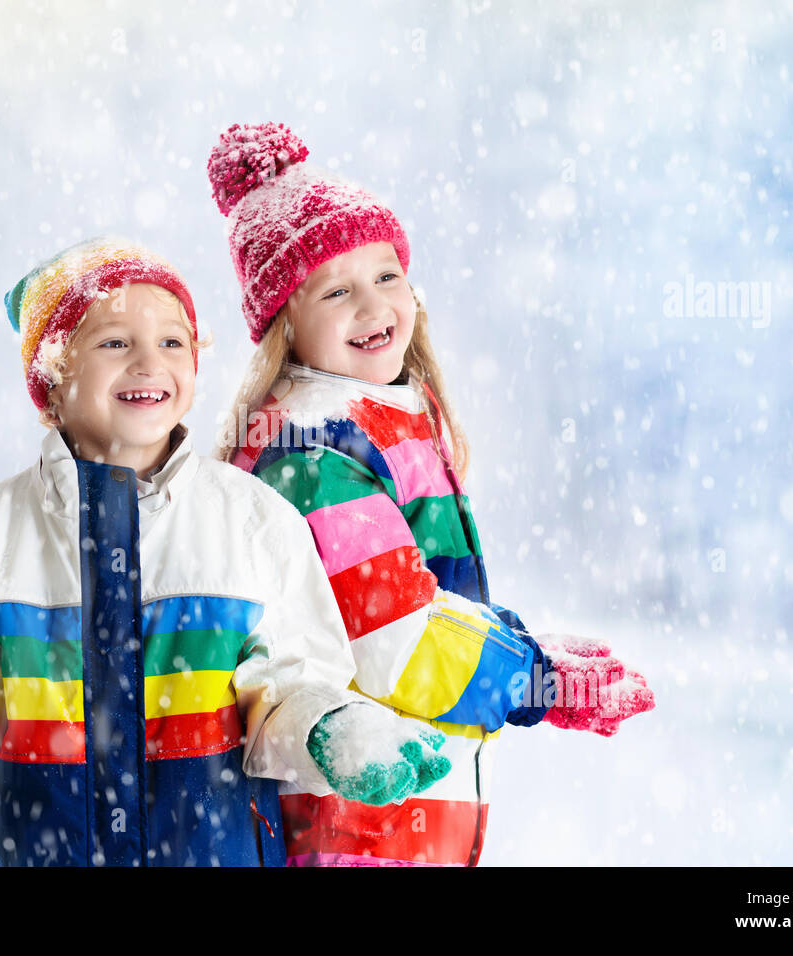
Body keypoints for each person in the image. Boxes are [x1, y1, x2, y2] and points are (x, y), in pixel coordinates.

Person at [0, 237, 451, 867]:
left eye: (173, 342)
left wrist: (335, 729)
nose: (150, 361)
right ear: (51, 380)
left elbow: (289, 686)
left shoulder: (254, 524)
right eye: (114, 342)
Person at [207, 123, 656, 866]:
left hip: (402, 818)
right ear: (284, 320)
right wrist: (534, 678)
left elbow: (414, 598)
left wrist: (518, 646)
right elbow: (397, 639)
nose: (373, 305)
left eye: (386, 275)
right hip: (351, 820)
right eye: (337, 289)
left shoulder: (377, 420)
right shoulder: (312, 450)